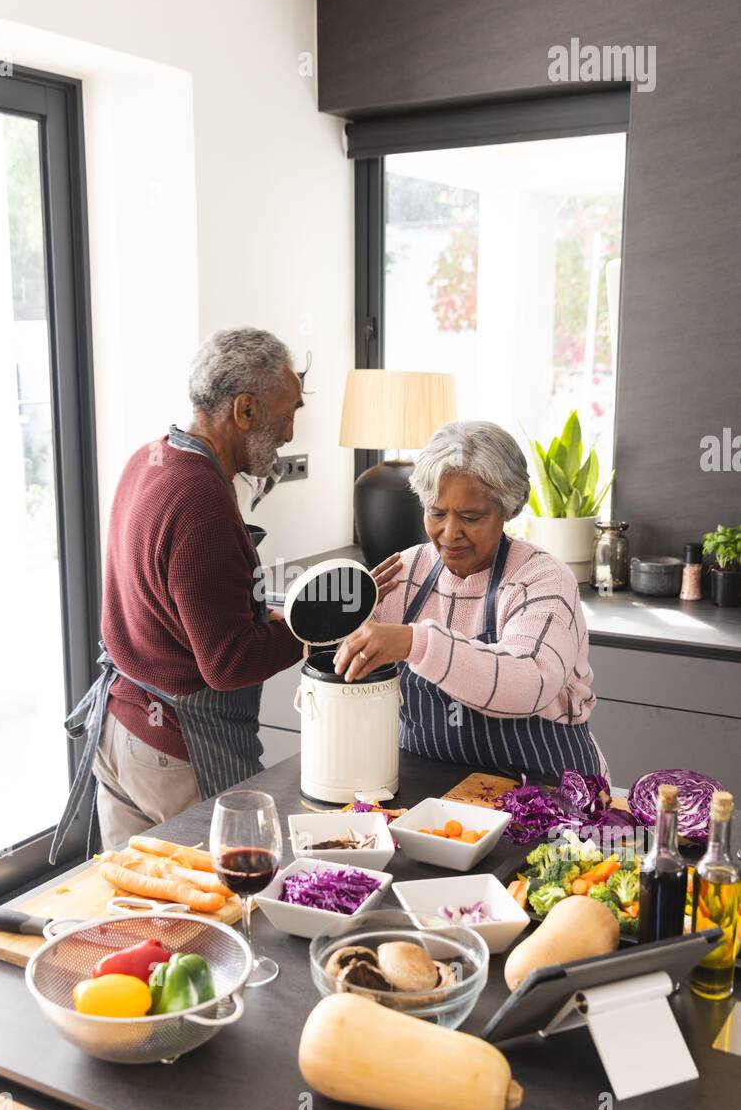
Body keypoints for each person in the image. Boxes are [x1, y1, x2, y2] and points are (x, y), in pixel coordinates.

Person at [50, 327, 306, 860]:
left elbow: (174, 607)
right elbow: (227, 663)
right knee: (211, 915)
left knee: (140, 911)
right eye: (287, 413)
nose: (290, 431)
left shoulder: (150, 458)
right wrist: (311, 632)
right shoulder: (201, 500)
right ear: (244, 411)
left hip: (123, 732)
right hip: (176, 752)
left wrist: (267, 615)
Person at [333, 420, 607, 780]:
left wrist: (414, 642)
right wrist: (339, 622)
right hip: (429, 794)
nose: (449, 533)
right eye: (436, 512)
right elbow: (338, 667)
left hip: (547, 792)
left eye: (470, 517)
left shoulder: (542, 580)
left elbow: (530, 682)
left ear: (507, 510)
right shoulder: (405, 571)